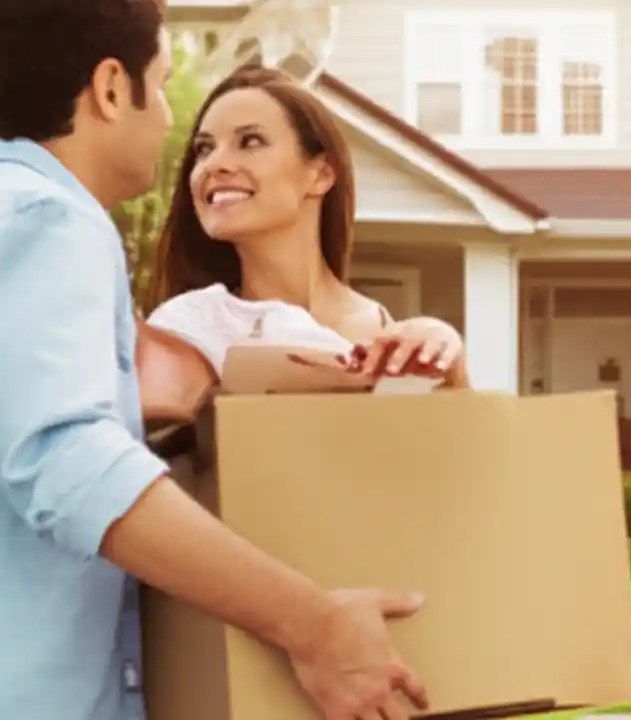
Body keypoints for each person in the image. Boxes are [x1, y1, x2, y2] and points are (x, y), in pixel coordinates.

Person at [0, 3, 429, 719]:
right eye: (164, 86)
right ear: (111, 90)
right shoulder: (47, 219)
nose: (169, 120)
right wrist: (315, 626)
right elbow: (69, 462)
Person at [140, 65, 468, 421]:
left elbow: (453, 463)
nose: (214, 164)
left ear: (321, 174)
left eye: (250, 141)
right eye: (204, 149)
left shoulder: (390, 336)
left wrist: (454, 371)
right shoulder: (187, 328)